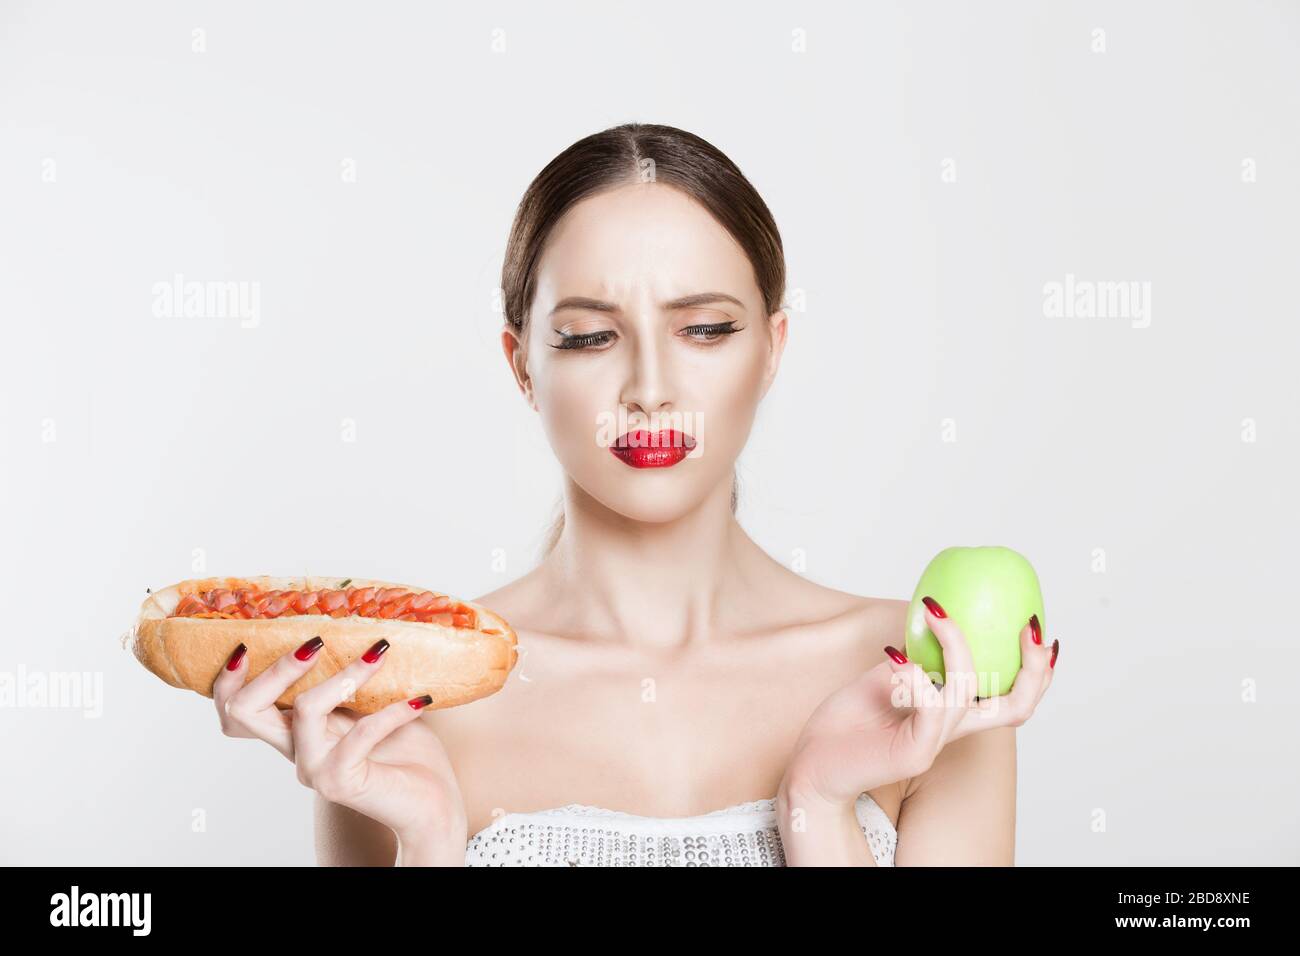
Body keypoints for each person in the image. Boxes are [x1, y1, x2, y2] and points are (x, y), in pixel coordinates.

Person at [213, 123, 1058, 866]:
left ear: (771, 348)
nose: (651, 388)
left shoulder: (922, 682)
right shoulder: (404, 704)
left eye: (704, 329)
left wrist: (819, 805)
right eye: (589, 336)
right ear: (522, 368)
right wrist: (430, 843)